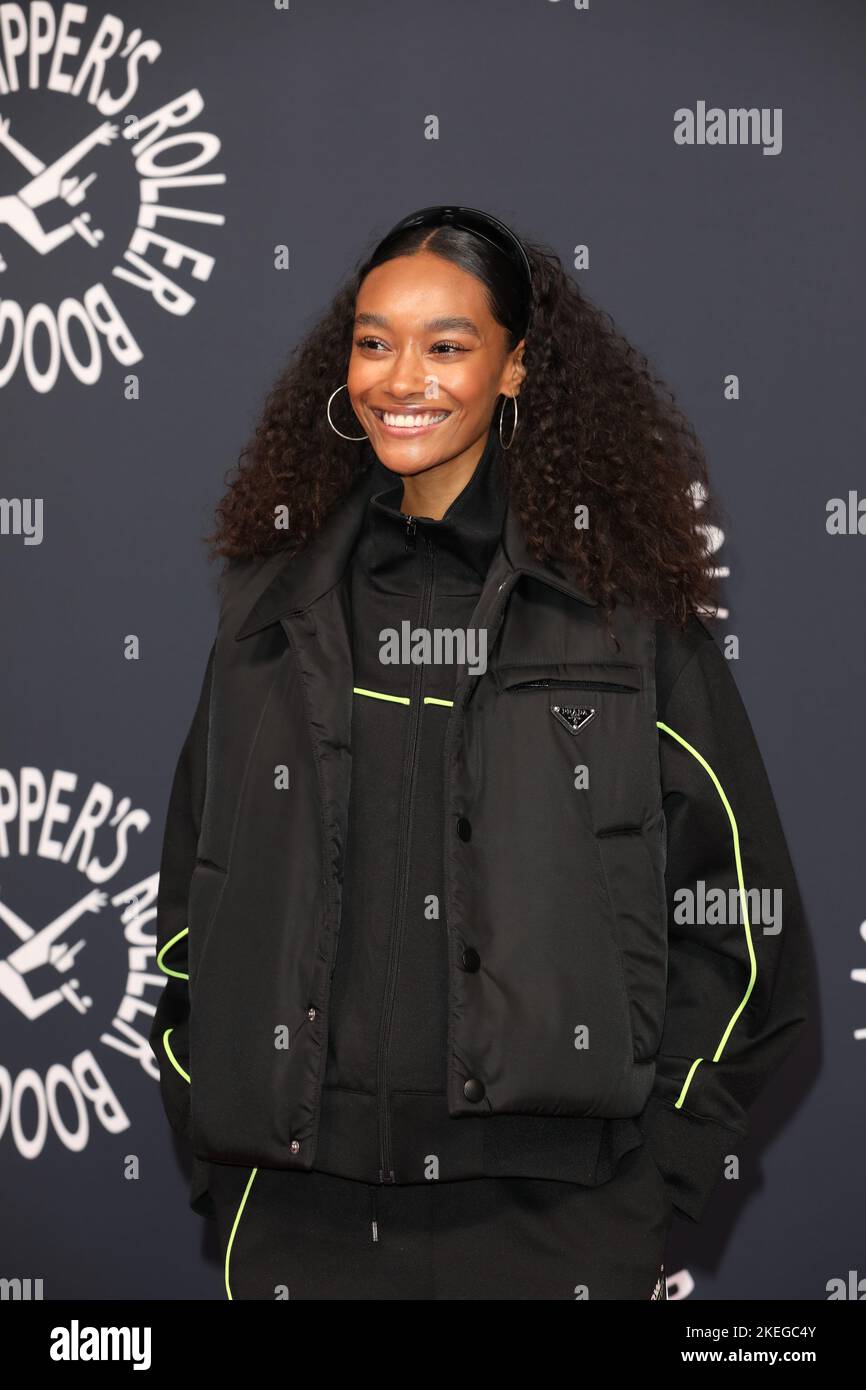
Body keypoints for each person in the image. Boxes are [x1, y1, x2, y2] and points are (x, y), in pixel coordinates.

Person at [150, 205, 810, 1301]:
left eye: (446, 344)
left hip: (555, 1227)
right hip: (295, 1223)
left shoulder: (620, 615)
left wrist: (653, 1182)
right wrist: (215, 1142)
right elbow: (190, 904)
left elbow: (740, 926)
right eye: (373, 341)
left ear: (513, 368)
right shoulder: (269, 611)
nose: (399, 377)